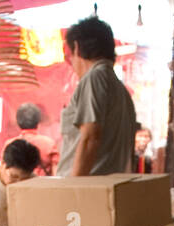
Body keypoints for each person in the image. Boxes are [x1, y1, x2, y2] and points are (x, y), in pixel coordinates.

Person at [56, 16, 136, 177]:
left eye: (70, 56)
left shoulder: (94, 78)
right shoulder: (121, 90)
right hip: (103, 189)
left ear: (77, 48)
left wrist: (73, 190)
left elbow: (90, 138)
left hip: (86, 192)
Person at [16, 103, 57, 174]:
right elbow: (56, 173)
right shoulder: (49, 144)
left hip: (18, 185)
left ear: (18, 122)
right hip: (43, 184)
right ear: (38, 121)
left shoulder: (11, 145)